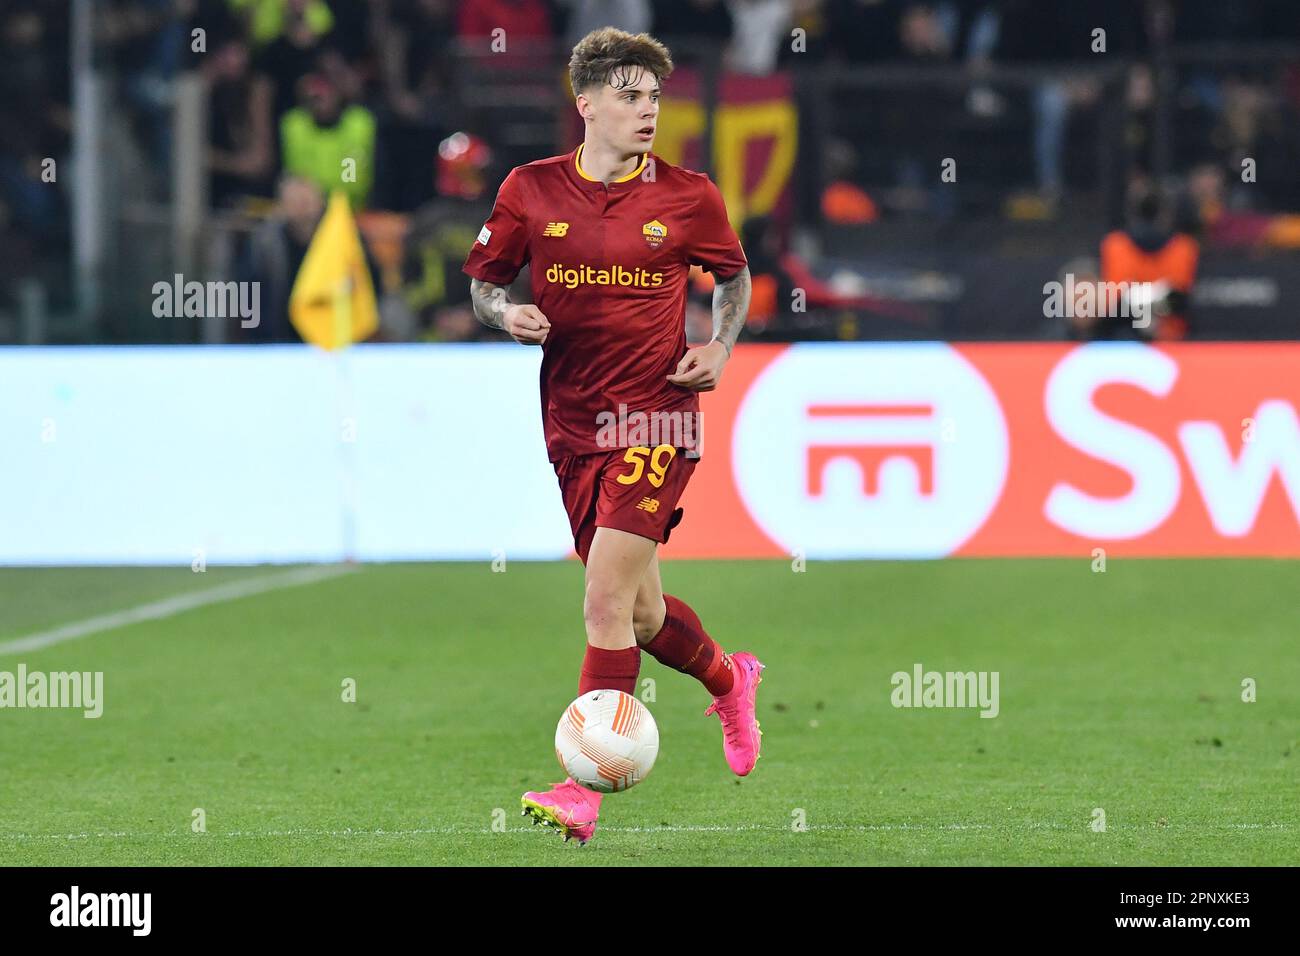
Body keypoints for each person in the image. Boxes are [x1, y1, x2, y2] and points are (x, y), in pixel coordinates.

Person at [462, 27, 764, 845]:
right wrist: (508, 314)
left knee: (600, 598)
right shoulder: (530, 190)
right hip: (571, 423)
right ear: (585, 103)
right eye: (630, 96)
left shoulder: (689, 197)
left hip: (657, 418)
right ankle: (730, 678)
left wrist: (722, 346)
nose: (647, 112)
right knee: (638, 614)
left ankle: (581, 790)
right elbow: (484, 284)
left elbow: (733, 275)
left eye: (655, 99)